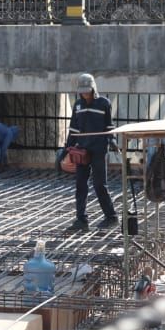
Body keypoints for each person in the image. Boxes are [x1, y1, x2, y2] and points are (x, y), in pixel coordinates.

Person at [64, 73, 117, 232]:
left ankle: (111, 217)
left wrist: (112, 140)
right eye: (82, 91)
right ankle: (81, 220)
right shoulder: (78, 105)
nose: (84, 94)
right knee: (80, 185)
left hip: (99, 149)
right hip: (82, 150)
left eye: (87, 91)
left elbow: (109, 126)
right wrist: (67, 148)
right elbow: (74, 129)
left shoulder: (104, 103)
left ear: (93, 88)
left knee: (100, 184)